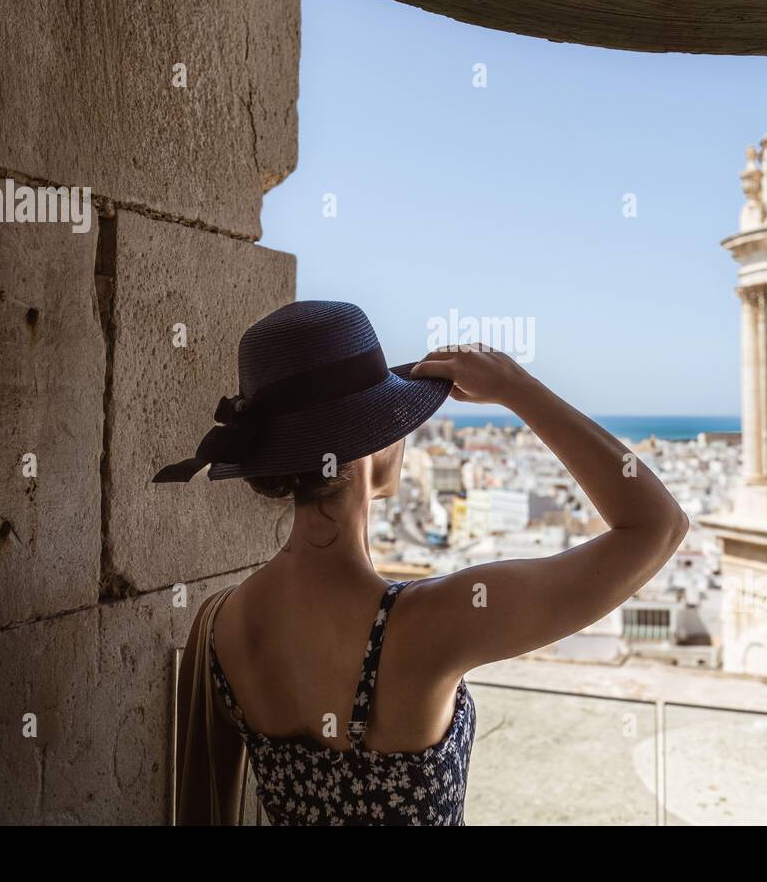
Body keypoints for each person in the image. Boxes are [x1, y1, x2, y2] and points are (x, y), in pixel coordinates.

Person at [160, 301, 688, 825]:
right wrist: (518, 388)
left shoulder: (223, 623)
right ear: (378, 442)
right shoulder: (426, 625)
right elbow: (657, 526)